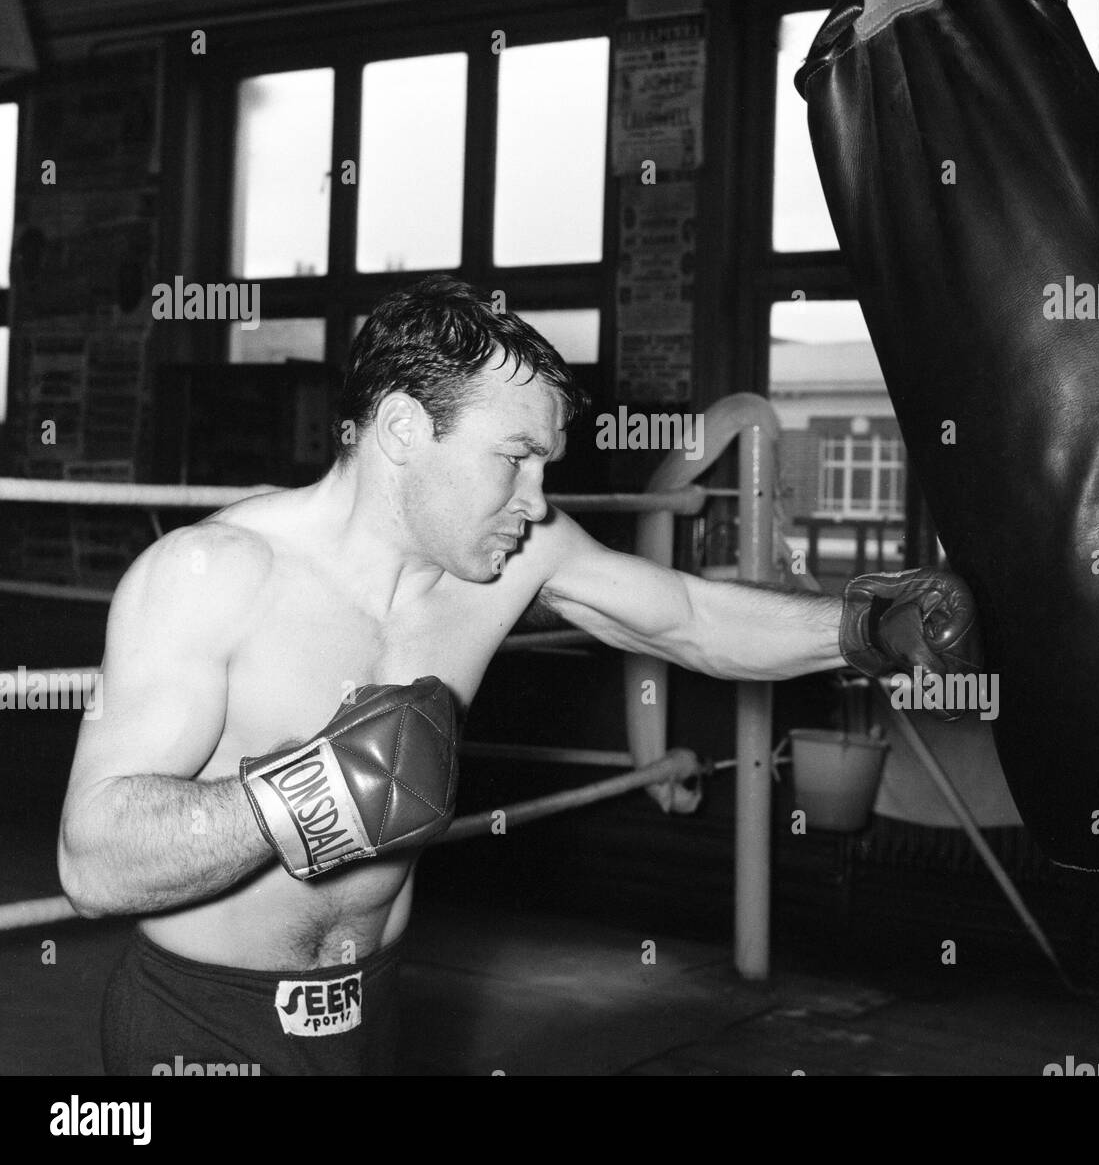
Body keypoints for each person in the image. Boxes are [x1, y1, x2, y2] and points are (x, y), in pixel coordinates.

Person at [58, 274, 978, 1075]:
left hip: (368, 1012)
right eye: (515, 459)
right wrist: (299, 795)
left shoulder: (509, 557)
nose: (537, 501)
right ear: (403, 429)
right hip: (199, 1024)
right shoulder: (211, 574)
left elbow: (693, 619)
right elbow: (91, 859)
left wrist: (865, 627)